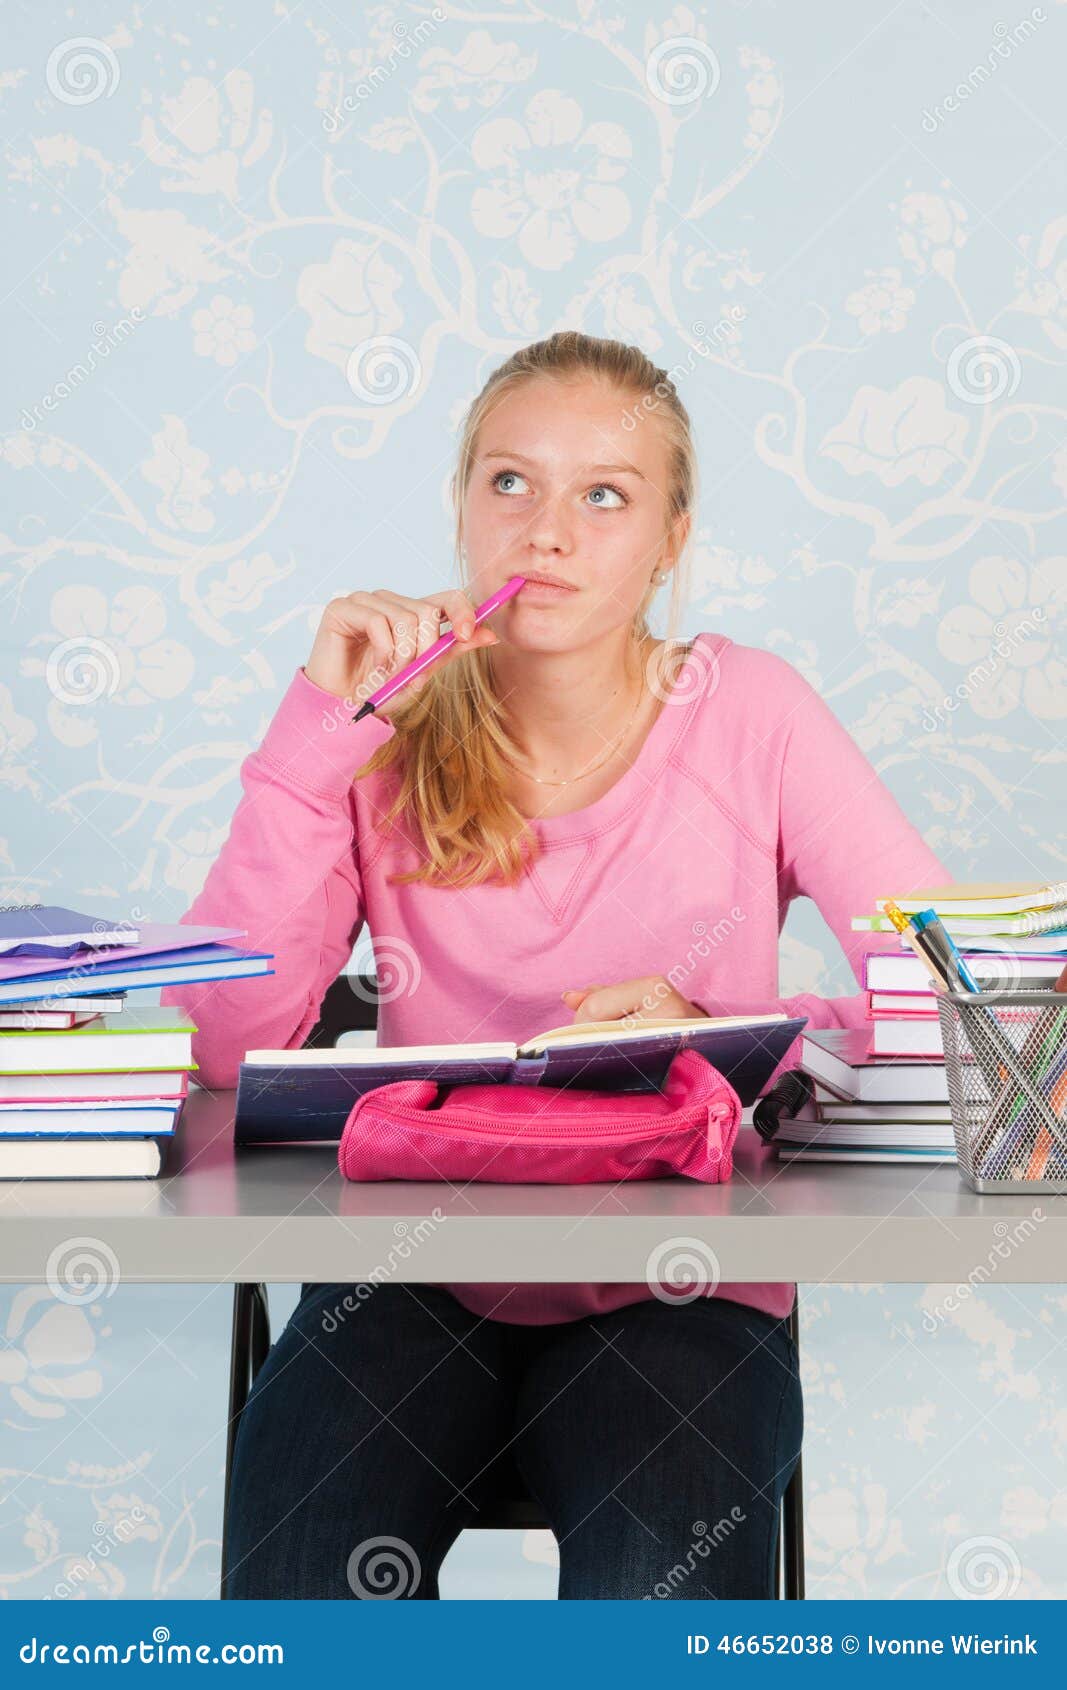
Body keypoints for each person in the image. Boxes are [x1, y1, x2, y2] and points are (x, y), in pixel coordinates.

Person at [160, 330, 950, 1599]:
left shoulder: (752, 715)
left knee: (656, 1593)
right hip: (407, 1268)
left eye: (604, 494)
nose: (547, 531)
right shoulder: (381, 726)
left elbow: (961, 999)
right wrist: (316, 736)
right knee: (306, 1584)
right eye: (509, 483)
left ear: (669, 538)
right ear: (462, 506)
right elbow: (216, 1038)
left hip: (679, 1286)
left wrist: (730, 1026)